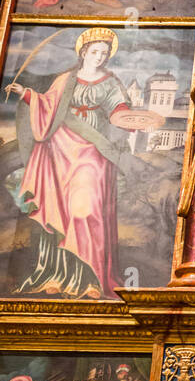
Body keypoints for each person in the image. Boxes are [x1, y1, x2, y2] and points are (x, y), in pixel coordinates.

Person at [6, 27, 132, 298]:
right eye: (95, 51)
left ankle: (90, 278)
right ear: (84, 52)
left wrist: (127, 118)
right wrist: (26, 93)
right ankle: (55, 275)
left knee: (86, 210)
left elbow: (120, 108)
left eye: (104, 53)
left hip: (93, 150)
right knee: (58, 209)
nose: (99, 57)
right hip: (60, 148)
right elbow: (48, 105)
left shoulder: (111, 82)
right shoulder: (66, 79)